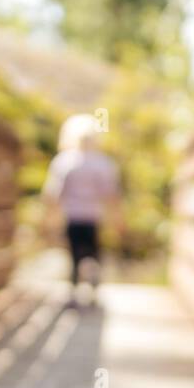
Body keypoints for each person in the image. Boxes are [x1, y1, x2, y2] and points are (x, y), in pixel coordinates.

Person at [42, 114, 122, 304]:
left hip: (73, 216)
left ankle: (74, 289)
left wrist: (48, 218)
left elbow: (53, 194)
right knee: (93, 249)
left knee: (74, 252)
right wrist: (117, 218)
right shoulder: (103, 163)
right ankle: (93, 277)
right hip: (94, 216)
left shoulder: (64, 161)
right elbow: (111, 195)